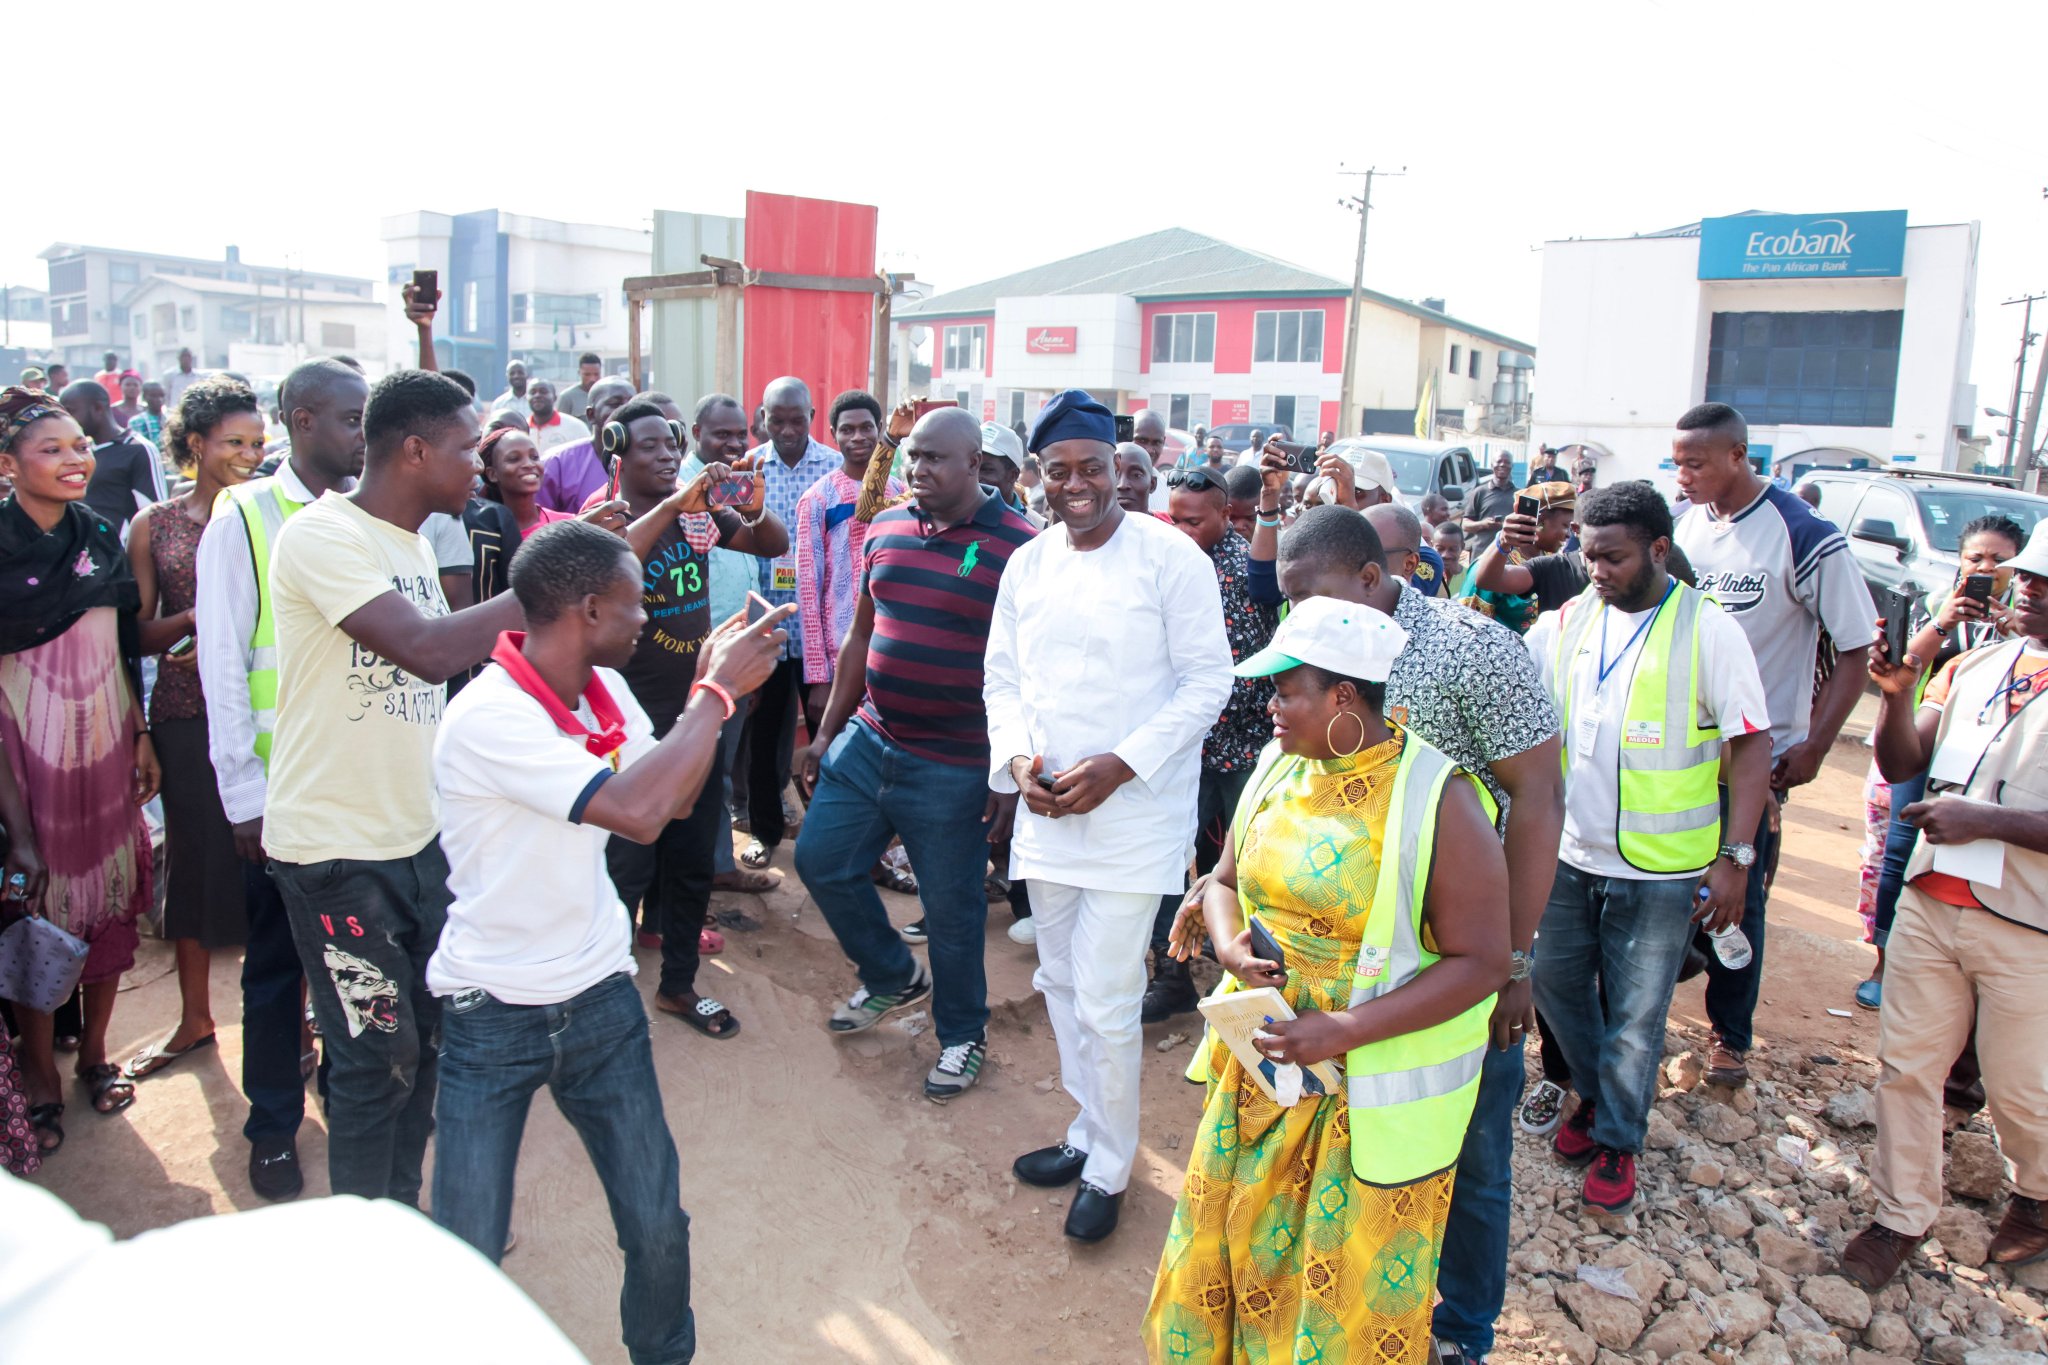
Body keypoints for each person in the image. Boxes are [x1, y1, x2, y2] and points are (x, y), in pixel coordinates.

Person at [429, 520, 793, 1363]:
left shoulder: (600, 689)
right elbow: (632, 808)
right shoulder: (491, 715)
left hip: (597, 996)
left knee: (658, 1224)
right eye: (636, 604)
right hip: (491, 1012)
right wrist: (713, 698)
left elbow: (665, 795)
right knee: (468, 1247)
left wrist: (711, 689)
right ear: (589, 609)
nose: (648, 617)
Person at [1144, 596, 1510, 1363]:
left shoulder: (1438, 799)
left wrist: (1340, 1029)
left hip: (1363, 1095)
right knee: (1235, 1261)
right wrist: (1232, 948)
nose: (1270, 707)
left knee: (1335, 1301)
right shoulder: (1280, 766)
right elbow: (1221, 881)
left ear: (1344, 696)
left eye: (1286, 690)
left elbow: (1484, 961)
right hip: (1268, 1073)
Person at [1270, 505, 1563, 1365]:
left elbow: (1538, 800)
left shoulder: (1472, 651)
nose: (1297, 617)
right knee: (1354, 1146)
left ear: (1371, 578)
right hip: (1345, 961)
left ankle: (1462, 1332)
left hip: (1458, 959)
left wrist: (1514, 958)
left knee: (1470, 1157)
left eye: (1311, 595)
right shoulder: (1317, 656)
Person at [261, 369, 528, 1204]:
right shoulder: (320, 536)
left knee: (428, 1049)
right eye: (466, 450)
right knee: (375, 1064)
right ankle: (366, 1255)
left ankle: (401, 1222)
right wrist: (548, 583)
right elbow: (428, 650)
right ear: (415, 450)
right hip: (339, 857)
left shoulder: (412, 546)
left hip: (416, 842)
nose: (479, 470)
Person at [985, 388, 1233, 1242]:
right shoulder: (1028, 563)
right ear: (1039, 478)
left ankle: (1112, 1163)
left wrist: (1122, 765)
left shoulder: (1171, 558)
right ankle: (1085, 1130)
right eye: (1061, 472)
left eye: (1095, 468)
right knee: (1057, 983)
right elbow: (1003, 683)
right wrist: (1019, 761)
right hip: (1047, 811)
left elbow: (1211, 682)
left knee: (1106, 993)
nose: (1079, 485)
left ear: (1124, 471)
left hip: (1134, 819)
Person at [1524, 483, 1772, 1214]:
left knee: (1637, 1015)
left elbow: (1752, 745)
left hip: (1661, 870)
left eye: (1613, 555)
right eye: (1586, 553)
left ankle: (1619, 1139)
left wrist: (1737, 857)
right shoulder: (1569, 619)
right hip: (1570, 855)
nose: (1595, 567)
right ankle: (1603, 1101)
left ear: (1659, 550)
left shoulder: (1709, 628)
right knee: (1555, 984)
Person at [793, 407, 1037, 1099]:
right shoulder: (889, 525)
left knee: (953, 910)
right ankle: (890, 974)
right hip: (872, 737)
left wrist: (1007, 771)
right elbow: (860, 637)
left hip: (957, 761)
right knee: (820, 859)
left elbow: (1032, 672)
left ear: (973, 463)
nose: (918, 469)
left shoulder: (1022, 545)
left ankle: (962, 1033)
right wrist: (827, 731)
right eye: (913, 457)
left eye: (935, 458)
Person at [1840, 519, 2048, 1288]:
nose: (2028, 590)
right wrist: (1895, 700)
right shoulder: (1977, 665)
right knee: (1908, 1067)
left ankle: (2037, 1193)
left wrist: (1986, 820)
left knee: (2023, 1081)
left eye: (2045, 583)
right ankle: (1901, 1215)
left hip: (2028, 920)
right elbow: (1905, 763)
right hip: (1932, 900)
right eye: (2028, 577)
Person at [197, 357, 370, 1199]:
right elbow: (225, 664)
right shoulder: (247, 515)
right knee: (275, 969)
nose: (363, 435)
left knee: (355, 959)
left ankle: (344, 1089)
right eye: (349, 419)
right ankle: (271, 1124)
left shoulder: (366, 515)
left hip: (355, 788)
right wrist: (242, 795)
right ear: (302, 421)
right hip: (279, 793)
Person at [1672, 401, 1876, 1087]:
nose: (1684, 475)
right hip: (1675, 754)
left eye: (1695, 462)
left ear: (1738, 455)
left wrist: (1817, 742)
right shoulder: (1684, 528)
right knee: (1667, 884)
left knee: (1740, 895)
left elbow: (1856, 647)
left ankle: (1731, 1035)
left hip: (1752, 760)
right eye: (1676, 462)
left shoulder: (1803, 533)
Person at [588, 398, 785, 1040]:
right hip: (627, 726)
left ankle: (677, 987)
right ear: (618, 451)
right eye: (650, 447)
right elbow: (611, 563)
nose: (669, 457)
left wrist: (750, 507)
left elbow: (771, 543)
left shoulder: (698, 510)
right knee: (628, 863)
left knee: (693, 855)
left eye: (673, 447)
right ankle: (606, 991)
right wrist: (673, 507)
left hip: (694, 712)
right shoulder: (608, 519)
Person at [0, 386, 161, 1153]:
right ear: (8, 465)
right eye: (51, 450)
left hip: (105, 743)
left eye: (78, 446)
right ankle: (38, 1068)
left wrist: (141, 733)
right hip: (26, 756)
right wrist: (16, 822)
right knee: (40, 914)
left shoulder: (99, 532)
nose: (74, 459)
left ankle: (94, 1051)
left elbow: (126, 646)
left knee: (112, 902)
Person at [121, 378, 266, 1085]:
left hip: (266, 715)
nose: (247, 453)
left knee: (276, 864)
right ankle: (194, 1017)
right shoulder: (157, 525)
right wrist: (197, 621)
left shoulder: (276, 515)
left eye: (257, 442)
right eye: (233, 442)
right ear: (195, 445)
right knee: (194, 864)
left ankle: (292, 1015)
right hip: (185, 715)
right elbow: (137, 633)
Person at [1859, 514, 2025, 1014]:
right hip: (1925, 741)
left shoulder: (2030, 613)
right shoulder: (1933, 605)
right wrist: (1943, 622)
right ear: (1960, 559)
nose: (1987, 567)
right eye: (1977, 557)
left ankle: (1975, 976)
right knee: (1899, 848)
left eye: (2000, 559)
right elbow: (1903, 669)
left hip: (1995, 758)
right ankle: (1886, 964)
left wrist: (2013, 628)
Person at [1141, 463, 1280, 1022]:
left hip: (1247, 750)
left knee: (1251, 868)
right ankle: (1171, 977)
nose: (1181, 531)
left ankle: (1243, 996)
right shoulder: (1161, 564)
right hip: (1186, 748)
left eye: (1194, 521)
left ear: (1227, 515)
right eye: (1174, 519)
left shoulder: (1253, 565)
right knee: (1173, 862)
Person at [737, 376, 839, 871]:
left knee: (829, 741)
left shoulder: (837, 468)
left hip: (822, 636)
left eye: (797, 419)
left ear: (812, 417)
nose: (787, 429)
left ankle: (830, 841)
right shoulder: (751, 468)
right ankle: (765, 833)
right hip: (771, 631)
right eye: (776, 420)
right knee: (765, 746)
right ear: (763, 419)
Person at [794, 391, 904, 719]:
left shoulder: (900, 493)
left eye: (866, 428)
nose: (858, 437)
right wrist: (818, 678)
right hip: (839, 658)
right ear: (833, 434)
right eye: (847, 429)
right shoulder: (817, 499)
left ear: (880, 429)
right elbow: (808, 591)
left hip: (890, 651)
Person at [1463, 481, 1578, 631]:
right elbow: (1468, 627)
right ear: (1540, 522)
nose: (1569, 534)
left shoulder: (1553, 562)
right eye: (1565, 525)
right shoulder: (1492, 566)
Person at [59, 379, 163, 536]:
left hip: (119, 553)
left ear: (98, 408)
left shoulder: (137, 449)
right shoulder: (83, 452)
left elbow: (156, 516)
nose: (66, 420)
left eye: (71, 411)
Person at [536, 375, 636, 514]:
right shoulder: (556, 463)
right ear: (591, 414)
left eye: (632, 404)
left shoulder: (655, 461)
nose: (626, 411)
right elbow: (541, 523)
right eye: (615, 404)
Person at [478, 427, 576, 538]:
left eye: (534, 457)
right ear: (492, 474)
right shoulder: (485, 535)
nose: (529, 464)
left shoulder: (569, 525)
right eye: (514, 459)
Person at [979, 420, 1039, 526]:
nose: (975, 477)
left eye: (987, 470)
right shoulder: (950, 521)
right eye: (972, 467)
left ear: (1013, 475)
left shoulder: (1037, 527)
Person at [525, 378, 591, 456]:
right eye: (532, 392)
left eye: (543, 392)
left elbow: (588, 458)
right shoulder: (522, 429)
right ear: (526, 397)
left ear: (555, 397)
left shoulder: (576, 427)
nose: (537, 395)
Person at [1113, 440, 1164, 517]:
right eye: (1114, 474)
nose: (1122, 485)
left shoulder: (1167, 527)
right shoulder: (1090, 527)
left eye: (1136, 475)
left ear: (1152, 484)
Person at [1221, 463, 1260, 542]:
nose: (1239, 526)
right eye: (1231, 517)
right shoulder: (1201, 548)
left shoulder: (1279, 549)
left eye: (1251, 518)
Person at [558, 352, 602, 420]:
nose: (592, 379)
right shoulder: (567, 397)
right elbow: (561, 424)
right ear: (579, 373)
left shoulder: (608, 395)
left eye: (596, 374)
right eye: (587, 374)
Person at [130, 380, 167, 451]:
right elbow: (138, 448)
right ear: (144, 397)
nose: (159, 399)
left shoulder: (169, 418)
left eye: (162, 395)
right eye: (153, 396)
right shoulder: (136, 421)